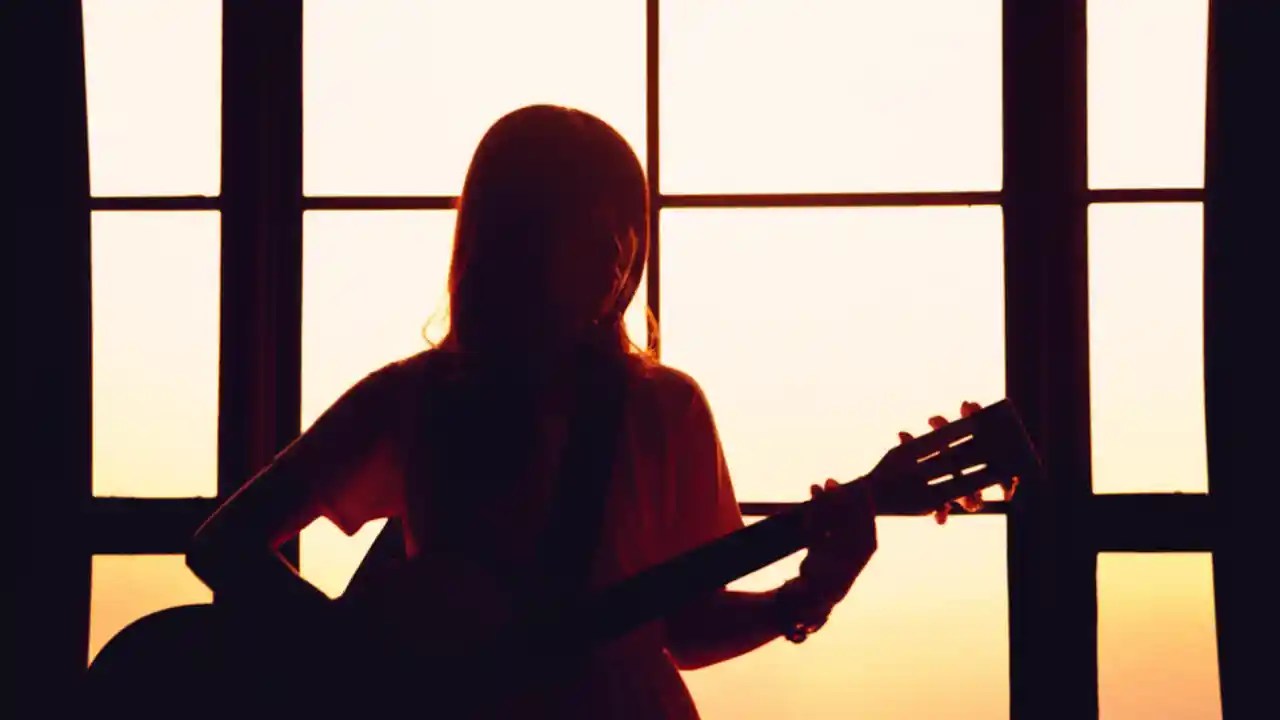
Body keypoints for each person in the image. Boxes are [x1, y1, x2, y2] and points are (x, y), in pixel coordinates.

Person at [184, 105, 971, 718]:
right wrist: (357, 660)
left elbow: (685, 630)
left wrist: (806, 597)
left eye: (628, 219)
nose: (619, 243)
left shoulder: (666, 408)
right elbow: (225, 544)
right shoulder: (414, 396)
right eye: (585, 219)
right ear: (511, 235)